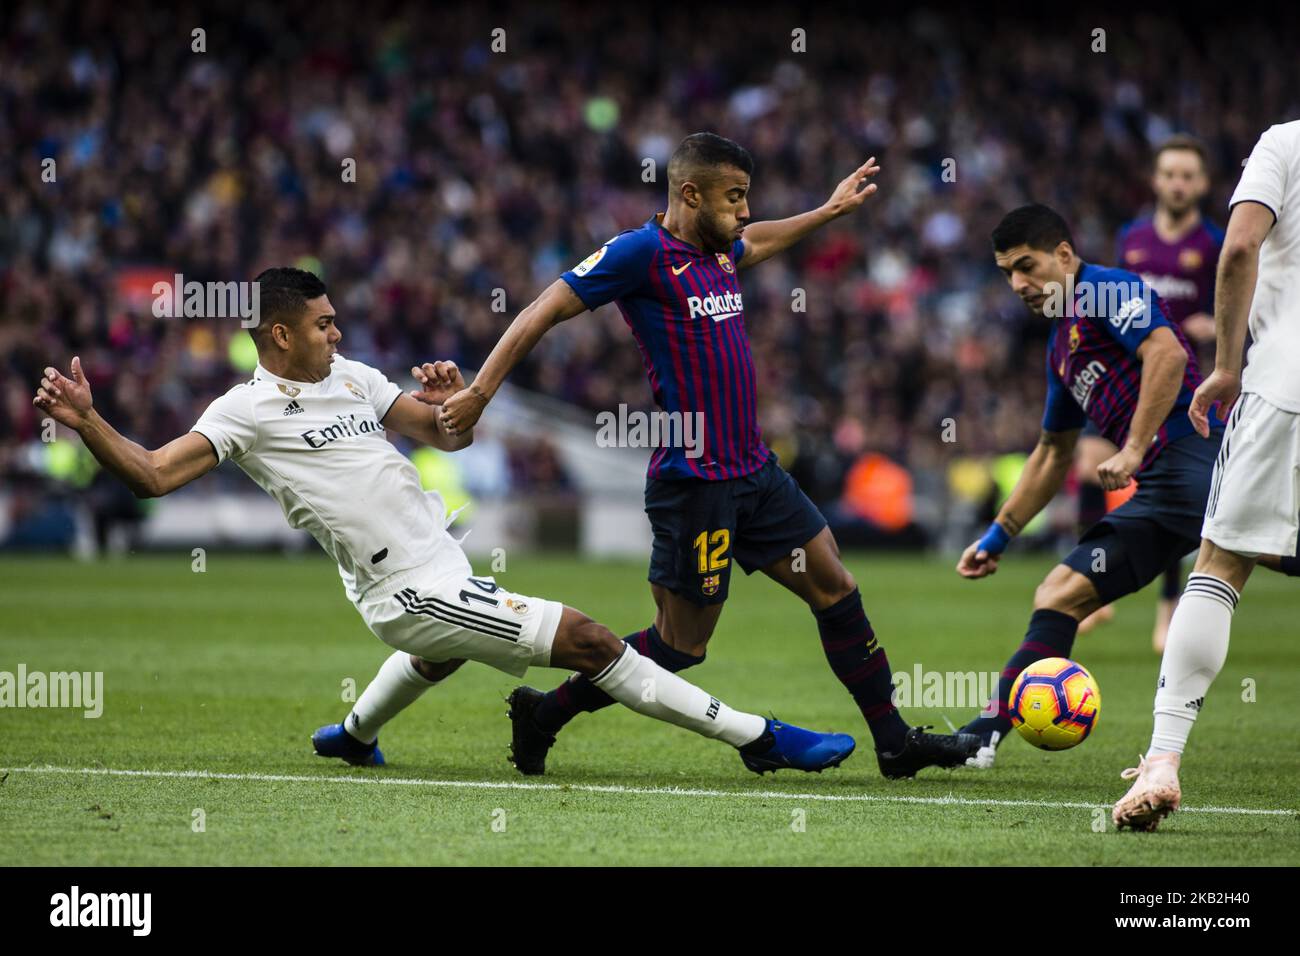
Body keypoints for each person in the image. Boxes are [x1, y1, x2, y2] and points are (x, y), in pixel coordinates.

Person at [31, 267, 856, 777]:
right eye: (321, 324)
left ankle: (354, 735)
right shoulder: (241, 412)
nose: (337, 331)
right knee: (596, 642)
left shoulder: (351, 377)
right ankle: (760, 737)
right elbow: (151, 476)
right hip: (402, 587)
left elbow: (444, 431)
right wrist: (89, 422)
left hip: (439, 561)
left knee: (445, 658)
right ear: (278, 334)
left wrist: (446, 393)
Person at [438, 132, 980, 779]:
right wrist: (479, 393)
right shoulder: (641, 254)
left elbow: (767, 239)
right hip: (694, 482)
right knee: (679, 645)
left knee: (835, 585)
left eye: (747, 197)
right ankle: (546, 712)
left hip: (754, 470)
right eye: (735, 197)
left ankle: (894, 743)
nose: (745, 211)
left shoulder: (718, 251)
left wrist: (828, 212)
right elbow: (541, 310)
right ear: (690, 194)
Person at [953, 203, 1297, 769]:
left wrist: (1133, 447)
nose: (1018, 284)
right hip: (1162, 492)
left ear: (1063, 255)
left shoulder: (1107, 290)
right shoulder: (1061, 347)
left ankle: (986, 734)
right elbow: (1053, 451)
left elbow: (1165, 353)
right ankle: (983, 736)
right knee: (1061, 595)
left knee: (1266, 549)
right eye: (1007, 273)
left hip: (1195, 462)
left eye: (1026, 266)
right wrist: (999, 533)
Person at [1114, 121, 1300, 830]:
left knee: (1219, 566)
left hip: (1284, 383)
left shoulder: (1284, 142)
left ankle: (1162, 761)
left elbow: (1241, 248)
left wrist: (1225, 365)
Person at [1081, 136, 1223, 650]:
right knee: (1088, 464)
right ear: (1156, 180)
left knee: (1175, 492)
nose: (1178, 183)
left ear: (1202, 184)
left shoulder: (1214, 243)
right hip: (1130, 384)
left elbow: (1237, 297)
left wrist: (1217, 324)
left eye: (1188, 175)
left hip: (1188, 388)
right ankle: (1099, 591)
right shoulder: (1132, 238)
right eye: (1170, 174)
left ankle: (1168, 611)